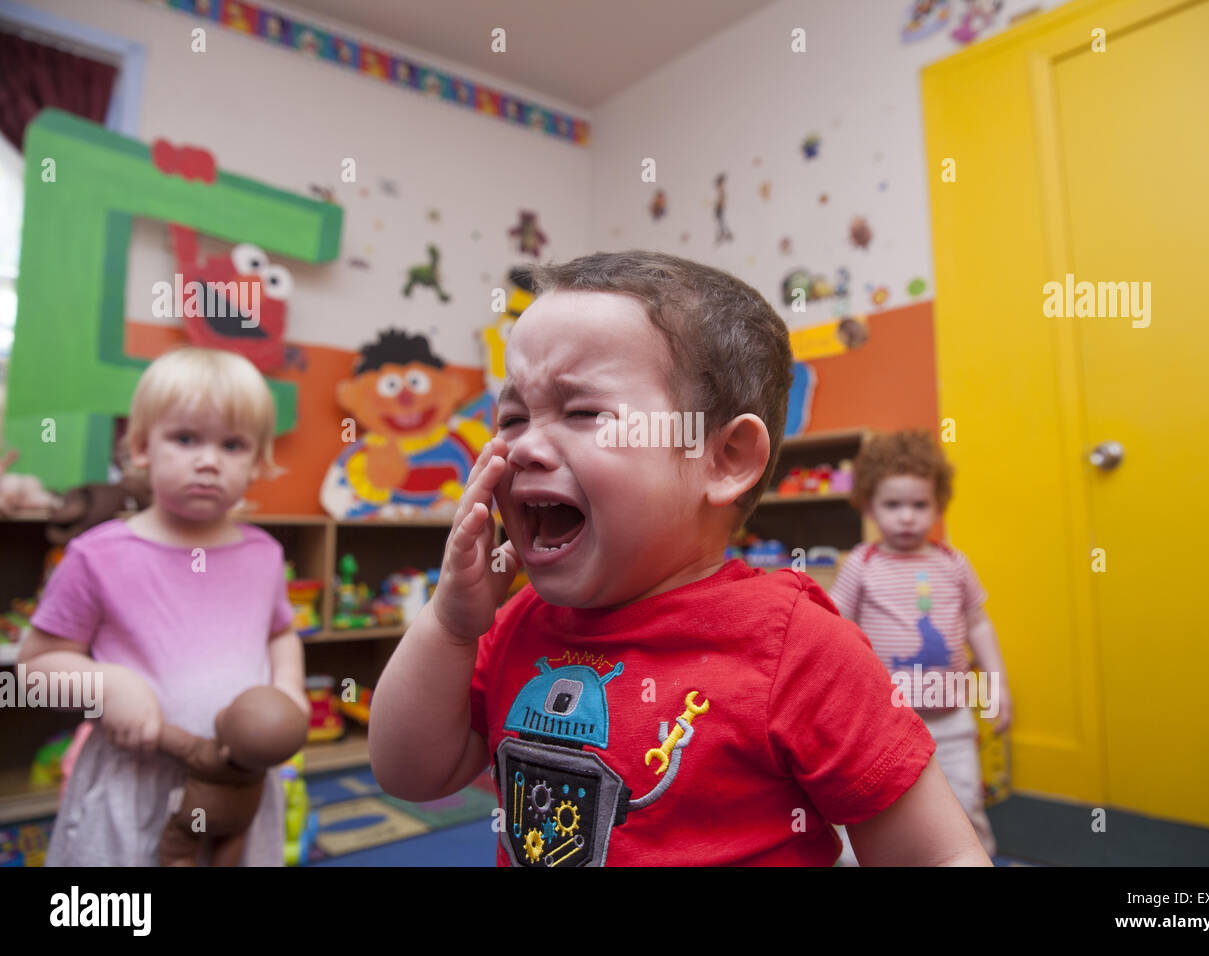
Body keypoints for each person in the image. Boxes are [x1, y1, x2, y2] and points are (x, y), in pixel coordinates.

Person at [370, 251, 990, 866]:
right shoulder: (517, 624)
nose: (524, 446)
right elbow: (409, 772)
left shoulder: (798, 650)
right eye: (511, 417)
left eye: (583, 411)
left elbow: (939, 855)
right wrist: (450, 627)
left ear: (724, 459)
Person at [19, 347, 309, 866]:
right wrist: (108, 686)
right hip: (133, 787)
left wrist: (288, 692)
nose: (208, 460)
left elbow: (279, 633)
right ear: (140, 447)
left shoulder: (263, 554)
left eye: (233, 444)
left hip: (237, 785)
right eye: (186, 438)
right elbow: (34, 669)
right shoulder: (97, 555)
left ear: (258, 461)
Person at [829, 429, 1011, 860]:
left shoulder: (952, 563)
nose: (907, 517)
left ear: (938, 507)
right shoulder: (862, 564)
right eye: (893, 505)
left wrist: (997, 687)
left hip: (950, 721)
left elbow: (979, 625)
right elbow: (835, 628)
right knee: (870, 807)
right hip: (881, 720)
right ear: (870, 505)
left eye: (920, 505)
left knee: (965, 806)